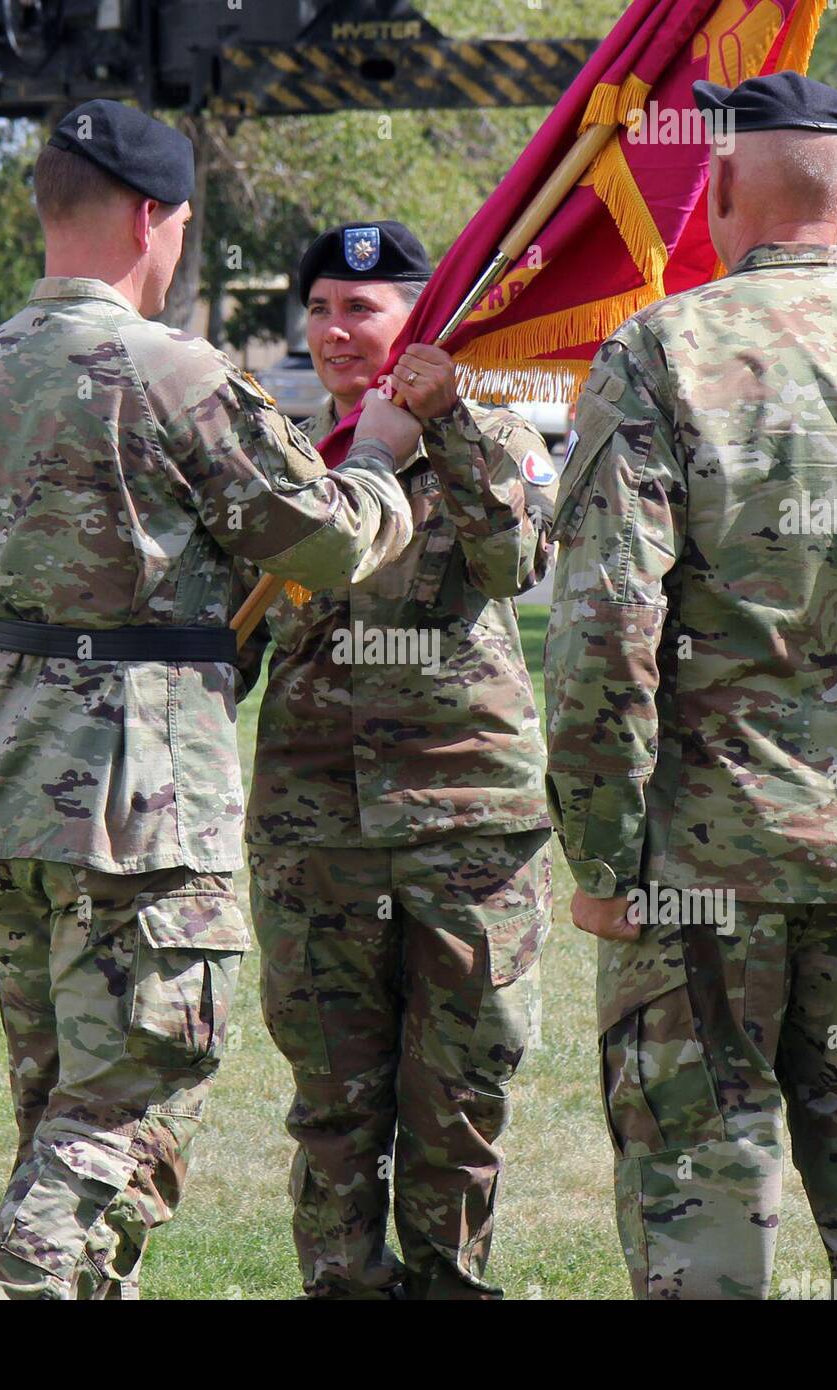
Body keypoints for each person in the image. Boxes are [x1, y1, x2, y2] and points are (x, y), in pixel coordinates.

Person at [0, 100, 421, 1300]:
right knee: (132, 1085)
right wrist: (383, 454)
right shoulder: (177, 371)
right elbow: (332, 546)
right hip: (138, 800)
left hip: (2, 780)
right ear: (154, 220)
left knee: (55, 1105)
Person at [545, 71, 837, 1300]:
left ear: (714, 192)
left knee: (702, 1234)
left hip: (708, 878)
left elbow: (605, 626)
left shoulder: (659, 353)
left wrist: (601, 856)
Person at [244, 220, 559, 1299]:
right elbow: (223, 644)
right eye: (321, 307)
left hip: (465, 825)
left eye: (363, 309)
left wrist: (448, 417)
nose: (337, 331)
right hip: (315, 831)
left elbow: (514, 559)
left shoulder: (496, 436)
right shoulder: (284, 458)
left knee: (460, 1098)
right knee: (333, 1101)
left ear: (417, 321)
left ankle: (451, 1287)